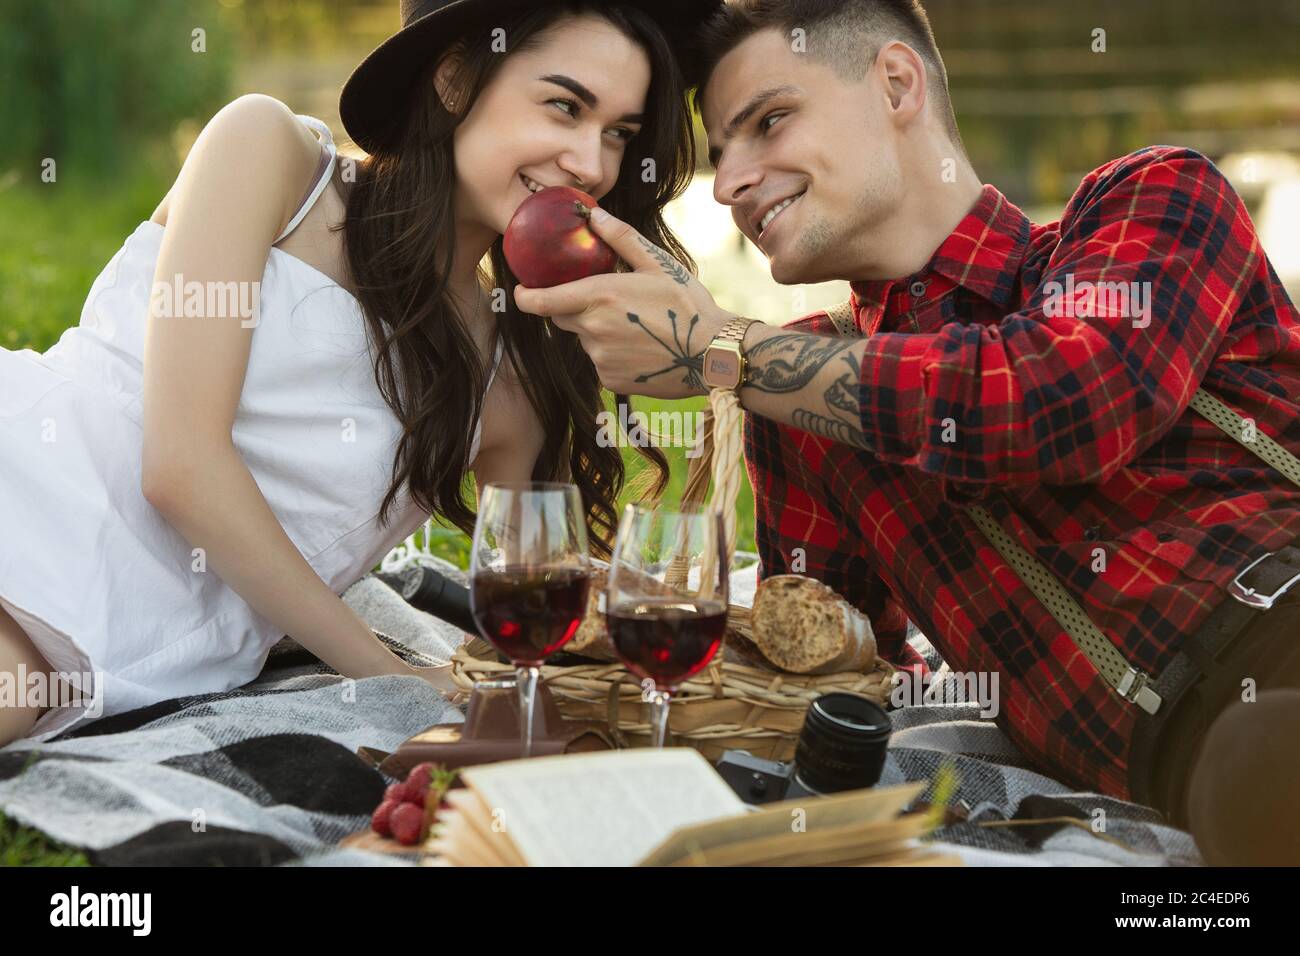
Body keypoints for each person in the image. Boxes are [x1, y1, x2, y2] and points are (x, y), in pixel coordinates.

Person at [511, 0, 1300, 864]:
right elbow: (825, 666)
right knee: (1251, 764)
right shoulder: (804, 408)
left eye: (770, 121)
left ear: (896, 83)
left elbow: (1061, 403)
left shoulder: (1149, 199)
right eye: (721, 153)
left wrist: (717, 349)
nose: (731, 182)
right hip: (1198, 773)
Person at [0, 0, 721, 748]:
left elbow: (542, 595)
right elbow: (181, 466)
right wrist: (397, 679)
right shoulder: (272, 156)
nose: (592, 164)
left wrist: (698, 347)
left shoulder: (509, 387)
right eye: (564, 106)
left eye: (618, 135)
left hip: (137, 637)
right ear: (452, 79)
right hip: (34, 491)